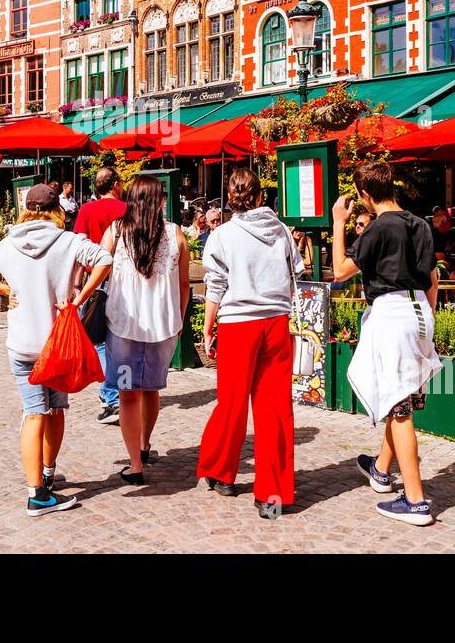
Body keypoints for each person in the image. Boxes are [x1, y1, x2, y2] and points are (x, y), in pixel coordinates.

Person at [0, 183, 113, 517]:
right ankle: (44, 481)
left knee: (34, 413)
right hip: (58, 343)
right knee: (57, 409)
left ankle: (38, 489)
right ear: (56, 209)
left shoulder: (6, 245)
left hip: (22, 344)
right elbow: (105, 259)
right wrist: (80, 296)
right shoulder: (69, 241)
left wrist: (5, 288)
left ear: (25, 209)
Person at [331, 160, 440, 526]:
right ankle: (380, 469)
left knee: (398, 408)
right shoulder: (420, 223)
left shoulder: (380, 227)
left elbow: (341, 272)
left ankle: (415, 501)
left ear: (364, 195)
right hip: (420, 310)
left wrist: (338, 224)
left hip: (393, 313)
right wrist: (428, 320)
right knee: (403, 396)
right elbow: (433, 278)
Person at [196, 169, 301, 519]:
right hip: (276, 320)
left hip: (239, 323)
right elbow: (297, 272)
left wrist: (208, 328)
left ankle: (220, 471)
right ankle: (273, 494)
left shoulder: (223, 235)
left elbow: (215, 286)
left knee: (232, 402)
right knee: (274, 408)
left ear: (230, 198)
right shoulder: (282, 231)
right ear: (259, 196)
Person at [100, 176, 189, 485]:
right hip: (163, 328)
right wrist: (177, 321)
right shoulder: (176, 234)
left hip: (123, 328)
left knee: (127, 395)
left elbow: (97, 270)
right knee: (151, 388)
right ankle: (145, 444)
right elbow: (183, 287)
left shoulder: (115, 231)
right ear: (159, 201)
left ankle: (135, 464)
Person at [72, 166, 128, 425]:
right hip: (124, 282)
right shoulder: (126, 209)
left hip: (95, 282)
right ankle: (118, 393)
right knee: (119, 339)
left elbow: (78, 249)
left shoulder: (86, 210)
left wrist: (77, 283)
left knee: (98, 340)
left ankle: (112, 396)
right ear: (115, 184)